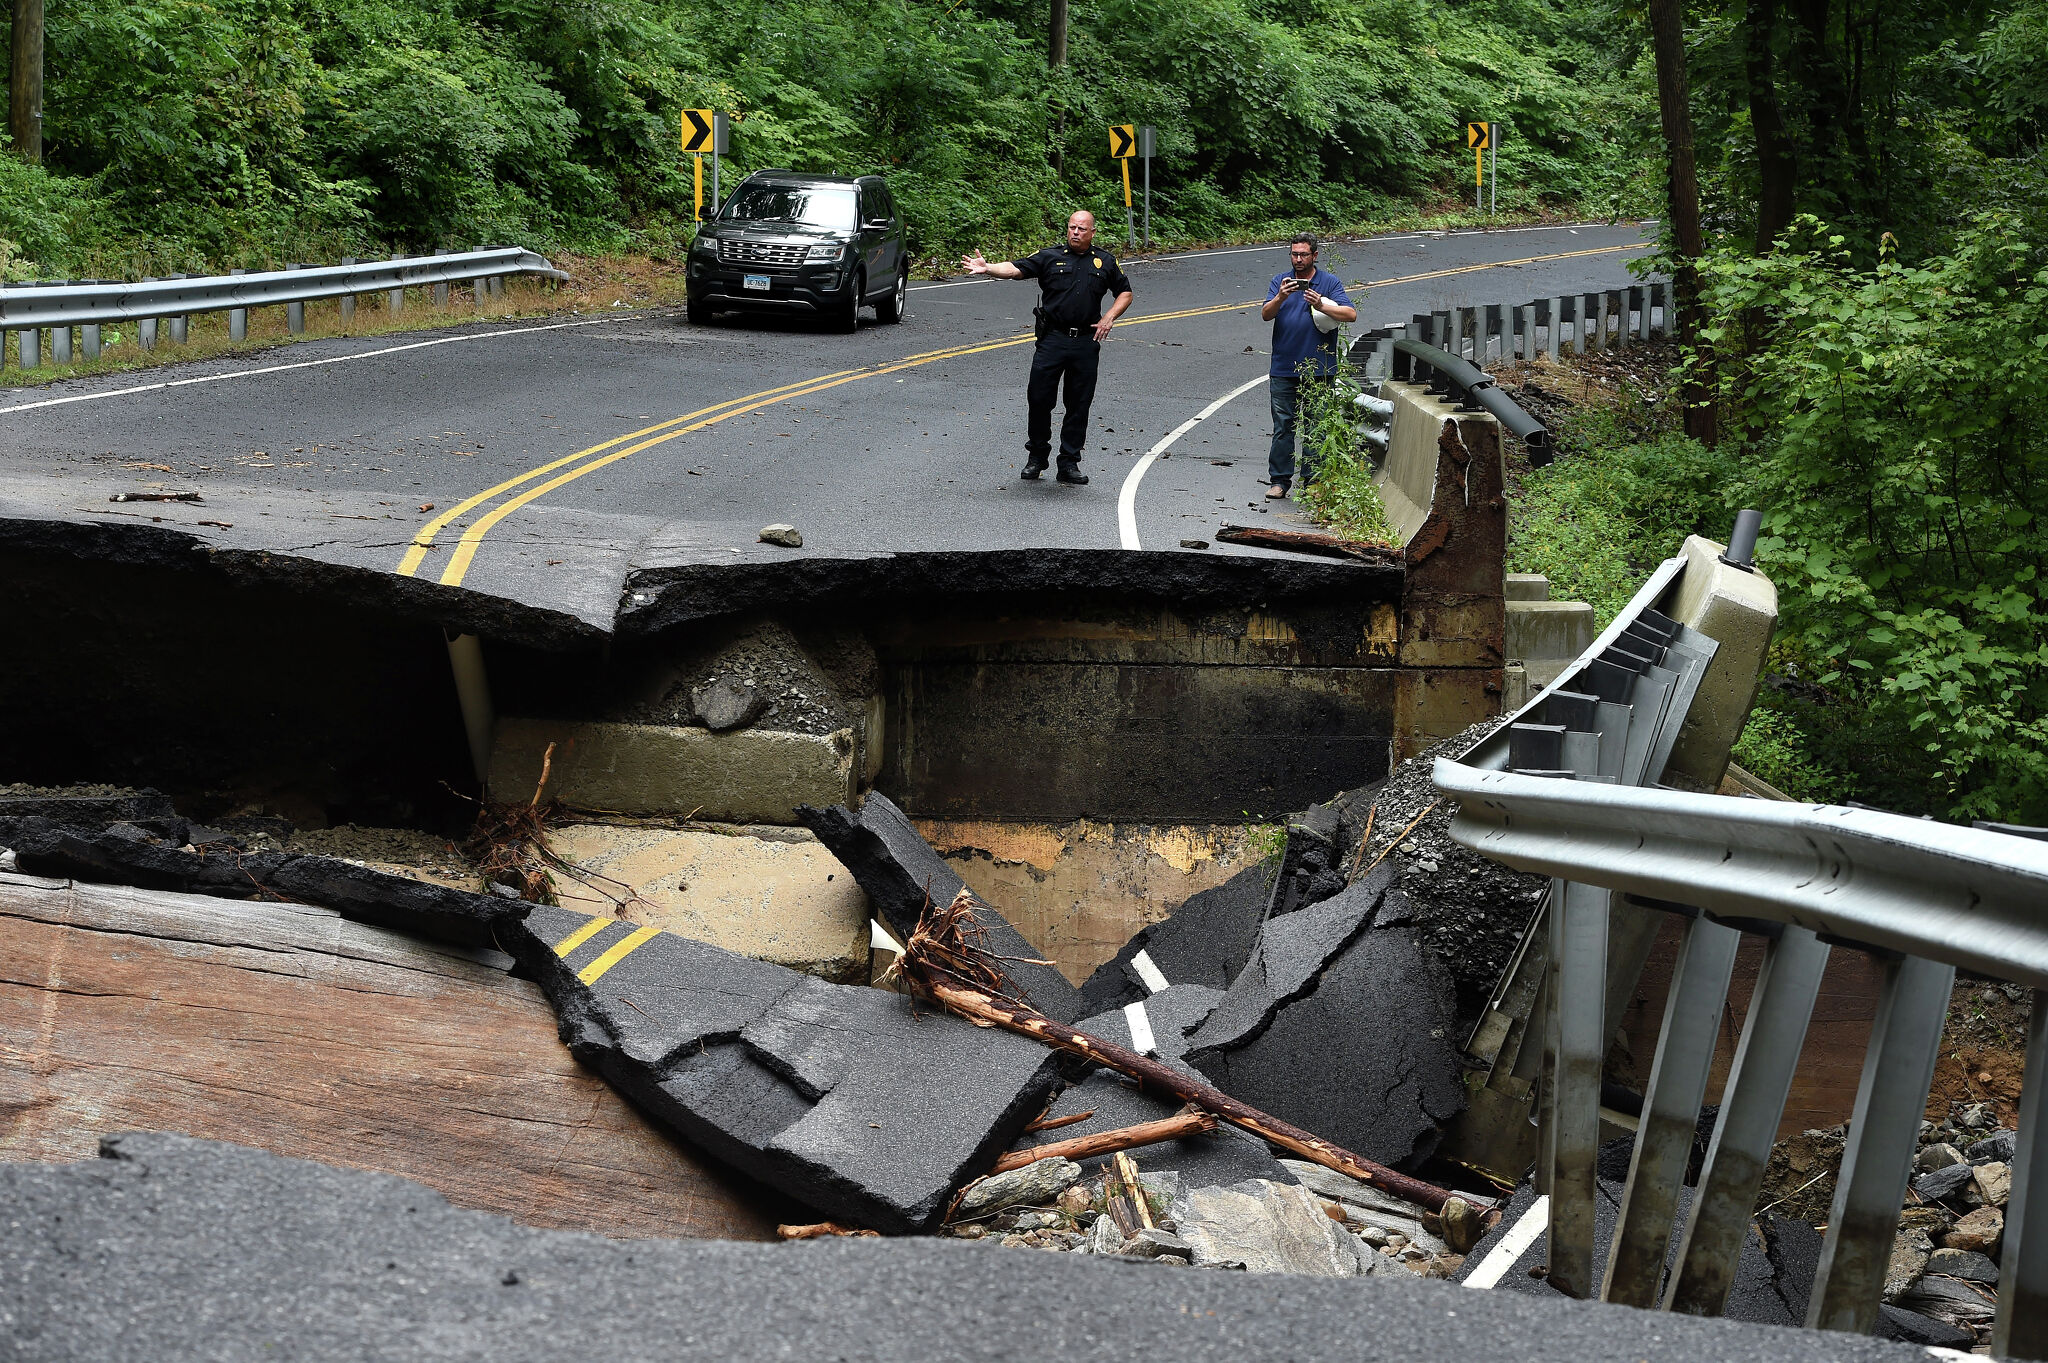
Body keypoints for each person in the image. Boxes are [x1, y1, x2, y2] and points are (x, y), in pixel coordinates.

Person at [961, 211, 1134, 485]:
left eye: (1081, 228)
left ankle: (1069, 463)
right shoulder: (1050, 256)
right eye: (1072, 227)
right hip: (1052, 339)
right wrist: (989, 267)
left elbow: (1125, 292)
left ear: (1092, 232)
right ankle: (1037, 457)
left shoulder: (1105, 261)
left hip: (1086, 342)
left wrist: (1109, 316)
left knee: (1078, 404)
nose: (1076, 232)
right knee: (1039, 399)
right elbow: (1016, 269)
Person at [1260, 234, 1357, 499]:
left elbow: (1350, 314)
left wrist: (1320, 303)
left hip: (1319, 369)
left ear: (1315, 255)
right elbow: (1266, 314)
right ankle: (1279, 481)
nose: (1298, 260)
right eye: (1294, 254)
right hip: (1283, 367)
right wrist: (1280, 296)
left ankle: (1312, 482)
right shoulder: (1280, 281)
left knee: (1316, 426)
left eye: (1303, 254)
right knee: (1283, 426)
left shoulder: (1329, 282)